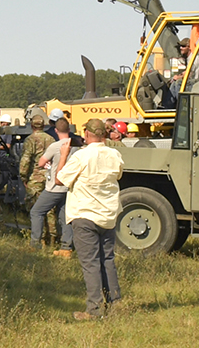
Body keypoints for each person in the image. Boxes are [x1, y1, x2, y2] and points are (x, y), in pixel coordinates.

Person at [57, 118, 125, 322]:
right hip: (108, 214)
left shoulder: (82, 156)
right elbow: (119, 175)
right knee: (108, 260)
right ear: (104, 134)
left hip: (85, 214)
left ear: (86, 134)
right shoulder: (115, 154)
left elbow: (60, 178)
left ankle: (94, 309)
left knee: (90, 263)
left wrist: (63, 155)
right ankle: (115, 303)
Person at [26, 116, 75, 256]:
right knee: (65, 216)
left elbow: (41, 162)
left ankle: (35, 244)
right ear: (69, 129)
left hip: (54, 187)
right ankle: (66, 246)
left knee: (36, 212)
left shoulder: (56, 146)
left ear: (56, 130)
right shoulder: (75, 146)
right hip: (68, 187)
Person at [18, 112, 55, 242]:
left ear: (32, 126)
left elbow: (26, 159)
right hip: (49, 177)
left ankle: (37, 237)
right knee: (50, 208)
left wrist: (23, 176)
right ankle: (52, 236)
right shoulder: (51, 139)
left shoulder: (30, 140)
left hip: (35, 178)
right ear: (44, 125)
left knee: (35, 209)